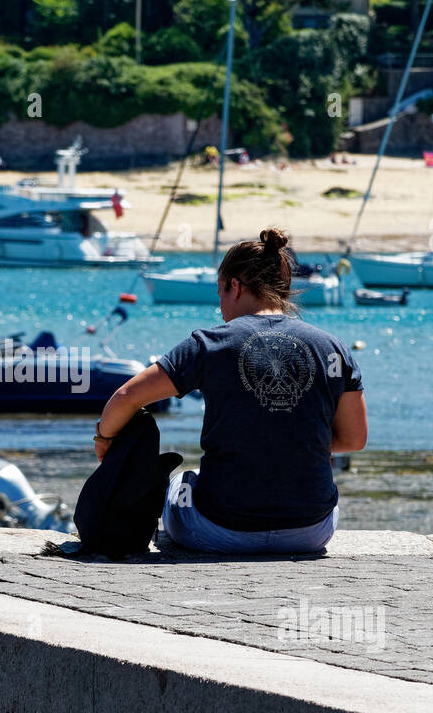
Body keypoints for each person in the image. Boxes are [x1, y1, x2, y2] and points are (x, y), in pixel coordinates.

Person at [93, 227, 367, 555]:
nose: (220, 305)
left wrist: (105, 439)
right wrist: (290, 441)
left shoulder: (209, 344)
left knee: (180, 482)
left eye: (220, 292)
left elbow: (126, 397)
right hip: (310, 530)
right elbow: (354, 439)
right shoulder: (333, 347)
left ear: (234, 286)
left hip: (221, 529)